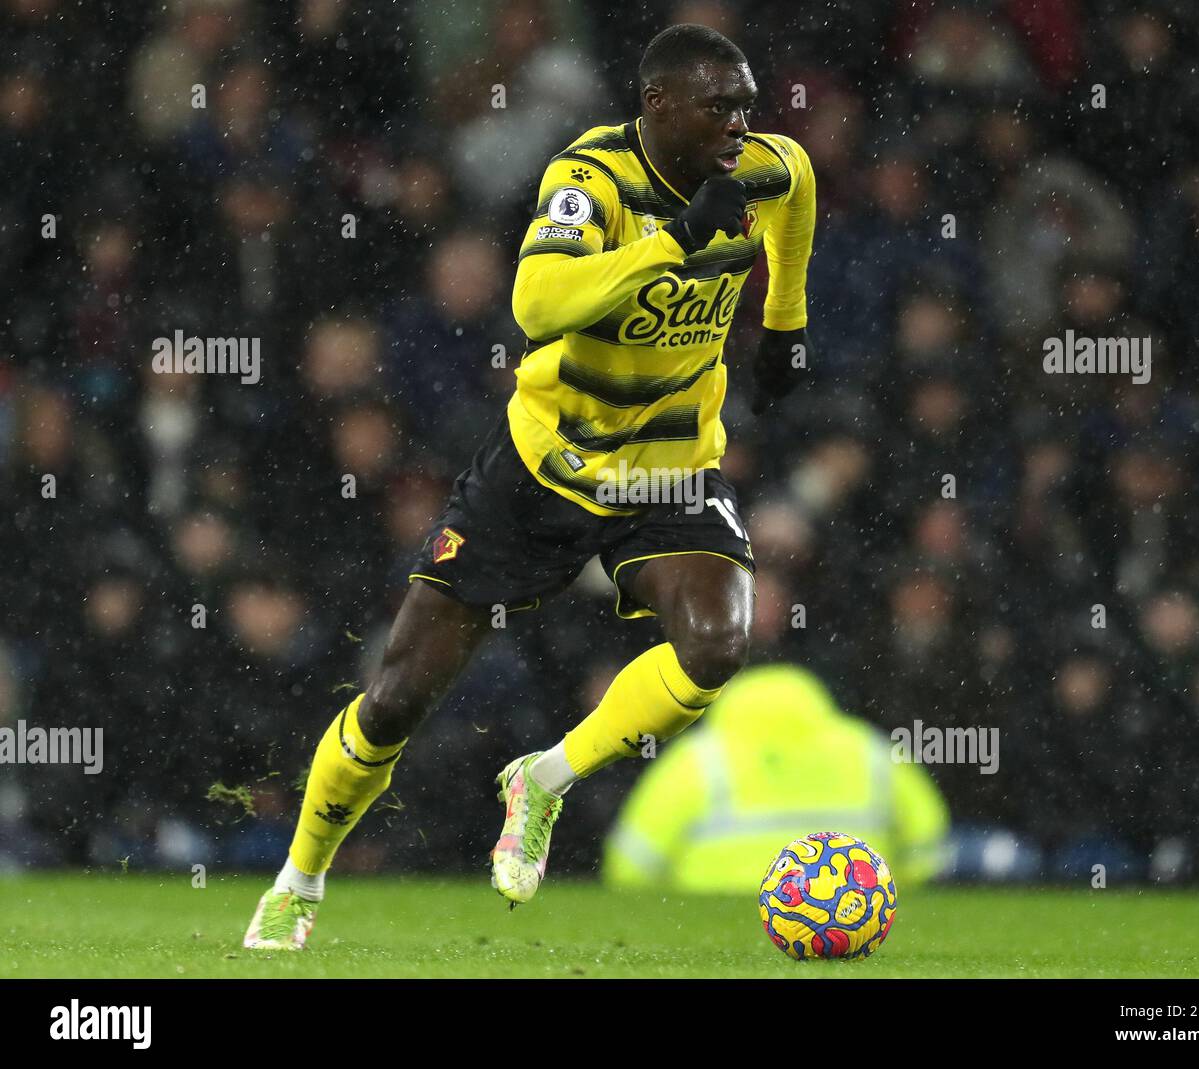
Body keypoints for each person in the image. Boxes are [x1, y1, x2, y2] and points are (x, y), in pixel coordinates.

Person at [244, 22, 816, 950]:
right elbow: (535, 304)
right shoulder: (587, 181)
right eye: (720, 106)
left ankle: (542, 780)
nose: (740, 124)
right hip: (544, 467)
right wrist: (673, 241)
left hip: (669, 465)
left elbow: (801, 190)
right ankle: (299, 878)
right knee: (395, 698)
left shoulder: (765, 166)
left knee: (717, 644)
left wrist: (786, 319)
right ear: (659, 105)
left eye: (747, 104)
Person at [603, 664, 951, 893]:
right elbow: (929, 837)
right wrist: (904, 890)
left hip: (707, 920)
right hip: (854, 908)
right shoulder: (869, 749)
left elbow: (630, 865)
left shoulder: (698, 758)